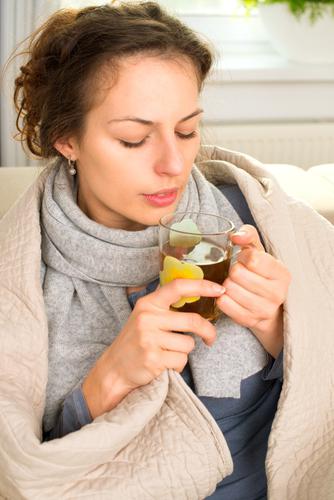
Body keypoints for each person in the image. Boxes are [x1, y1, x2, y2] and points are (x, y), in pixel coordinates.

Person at [0, 2, 333, 499]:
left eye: (186, 130)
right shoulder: (23, 278)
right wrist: (108, 381)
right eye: (134, 139)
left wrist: (284, 330)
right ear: (66, 138)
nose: (174, 164)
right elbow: (28, 476)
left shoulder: (256, 219)